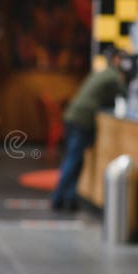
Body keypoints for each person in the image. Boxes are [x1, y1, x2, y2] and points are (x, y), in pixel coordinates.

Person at [51, 49, 126, 211]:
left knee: (75, 160)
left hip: (72, 116)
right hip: (82, 120)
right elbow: (124, 94)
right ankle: (58, 198)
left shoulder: (100, 72)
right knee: (73, 159)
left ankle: (68, 198)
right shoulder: (113, 76)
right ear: (116, 59)